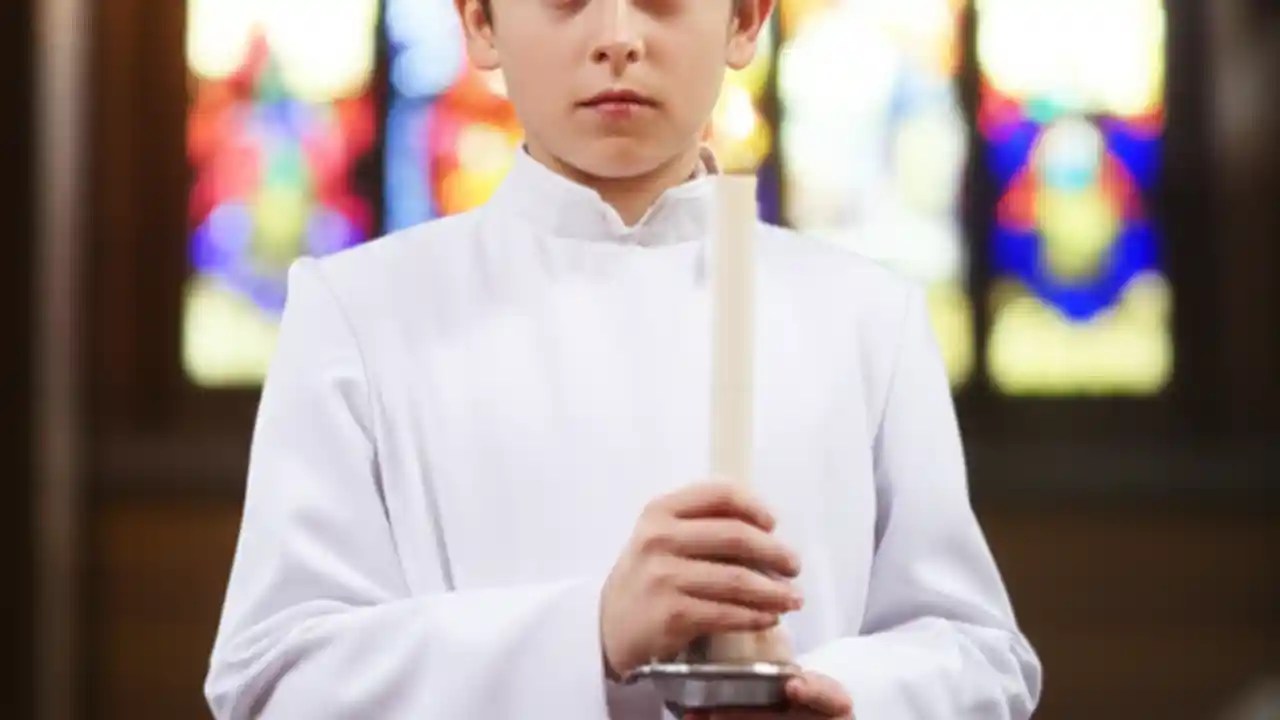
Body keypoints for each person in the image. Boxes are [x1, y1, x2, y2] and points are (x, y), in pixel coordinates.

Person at [203, 0, 1043, 717]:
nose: (616, 37)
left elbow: (977, 655)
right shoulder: (358, 312)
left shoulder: (864, 316)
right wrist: (590, 634)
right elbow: (275, 682)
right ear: (480, 22)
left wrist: (838, 696)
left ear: (746, 18)